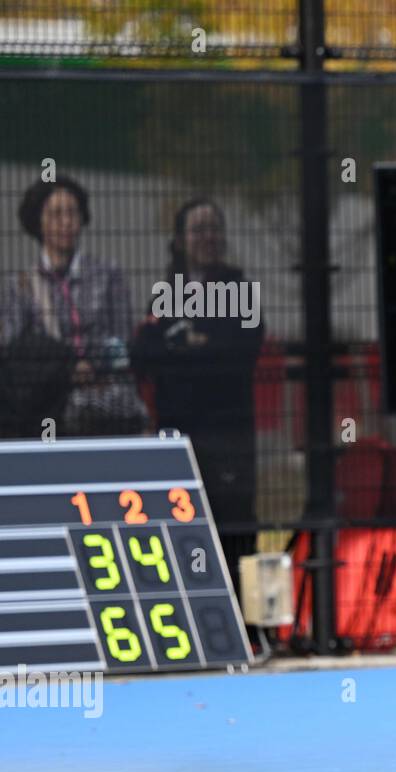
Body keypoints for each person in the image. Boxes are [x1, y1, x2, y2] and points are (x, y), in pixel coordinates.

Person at [130, 198, 265, 604]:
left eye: (213, 228)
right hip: (178, 429)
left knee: (235, 523)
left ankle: (245, 618)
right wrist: (197, 347)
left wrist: (188, 347)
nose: (207, 236)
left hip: (230, 429)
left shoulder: (240, 289)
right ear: (180, 239)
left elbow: (243, 350)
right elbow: (145, 352)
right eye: (197, 229)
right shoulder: (166, 292)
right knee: (183, 522)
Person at [2, 177, 147, 436]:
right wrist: (66, 368)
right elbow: (15, 349)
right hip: (47, 407)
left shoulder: (108, 275)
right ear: (39, 222)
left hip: (107, 403)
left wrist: (92, 367)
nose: (66, 222)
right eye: (56, 214)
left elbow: (122, 340)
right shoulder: (21, 285)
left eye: (72, 212)